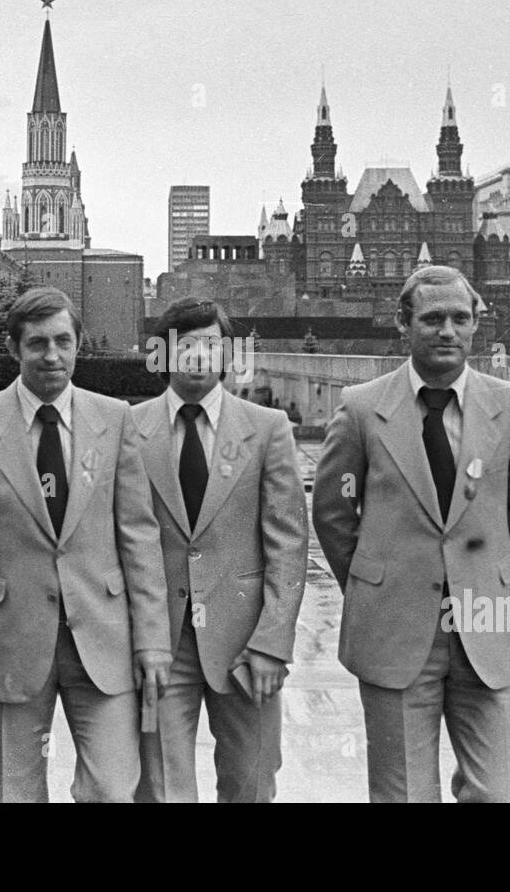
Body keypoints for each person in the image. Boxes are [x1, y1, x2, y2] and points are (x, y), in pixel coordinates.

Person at [0, 287, 172, 802]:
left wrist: (152, 640)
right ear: (15, 349)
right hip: (8, 643)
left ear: (79, 345)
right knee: (13, 794)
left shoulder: (115, 419)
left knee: (110, 788)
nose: (52, 355)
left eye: (64, 341)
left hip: (102, 642)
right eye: (38, 343)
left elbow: (139, 538)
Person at [312, 266, 510, 802]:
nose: (447, 331)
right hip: (394, 628)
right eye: (433, 318)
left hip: (487, 623)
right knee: (404, 795)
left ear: (475, 326)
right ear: (404, 324)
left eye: (460, 319)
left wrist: (494, 577)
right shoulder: (361, 407)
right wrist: (378, 581)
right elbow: (333, 513)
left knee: (498, 793)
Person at [132, 297, 307, 802]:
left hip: (246, 641)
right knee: (161, 787)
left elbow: (289, 544)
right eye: (183, 346)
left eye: (210, 345)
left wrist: (273, 642)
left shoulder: (267, 429)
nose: (197, 357)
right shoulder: (129, 429)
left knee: (251, 782)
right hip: (160, 644)